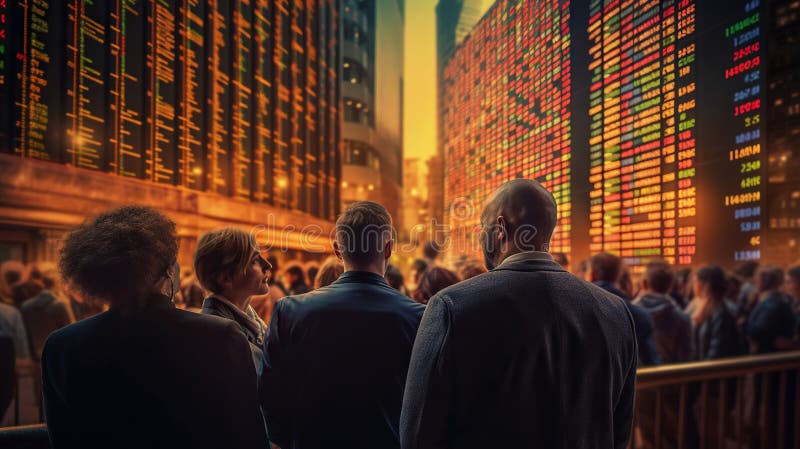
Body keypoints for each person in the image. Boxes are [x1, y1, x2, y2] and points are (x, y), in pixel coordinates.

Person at [401, 179, 638, 449]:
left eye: (482, 226)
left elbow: (417, 435)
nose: (480, 235)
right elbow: (619, 430)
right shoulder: (615, 311)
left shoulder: (452, 306)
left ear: (501, 228)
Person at [42, 206, 267, 449]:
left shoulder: (61, 346)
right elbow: (248, 437)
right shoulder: (220, 337)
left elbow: (62, 439)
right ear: (168, 272)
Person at [261, 201, 425, 449]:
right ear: (388, 248)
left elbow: (271, 395)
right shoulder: (417, 317)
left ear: (337, 250)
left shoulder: (291, 311)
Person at [634, 259, 694, 449]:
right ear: (671, 286)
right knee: (669, 436)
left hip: (641, 384)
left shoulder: (630, 312)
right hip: (671, 385)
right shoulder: (681, 318)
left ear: (643, 284)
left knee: (646, 436)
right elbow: (686, 356)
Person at [194, 227, 271, 374]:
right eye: (255, 260)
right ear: (226, 278)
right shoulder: (220, 337)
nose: (268, 265)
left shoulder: (253, 324)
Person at [589, 252, 661, 366]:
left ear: (592, 274)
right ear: (618, 276)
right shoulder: (639, 315)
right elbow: (650, 361)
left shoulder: (574, 307)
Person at [20, 266, 75, 361]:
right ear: (57, 284)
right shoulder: (60, 304)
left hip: (36, 356)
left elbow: (25, 334)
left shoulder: (26, 306)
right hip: (58, 355)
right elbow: (73, 332)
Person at [687, 266, 741, 360]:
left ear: (701, 284)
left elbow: (717, 348)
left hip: (712, 370)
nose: (693, 286)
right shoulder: (696, 305)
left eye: (695, 282)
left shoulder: (721, 312)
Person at [746, 266, 795, 354]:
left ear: (764, 282)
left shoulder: (771, 303)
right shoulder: (774, 301)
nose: (754, 283)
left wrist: (744, 323)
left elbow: (759, 331)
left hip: (770, 357)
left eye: (757, 280)